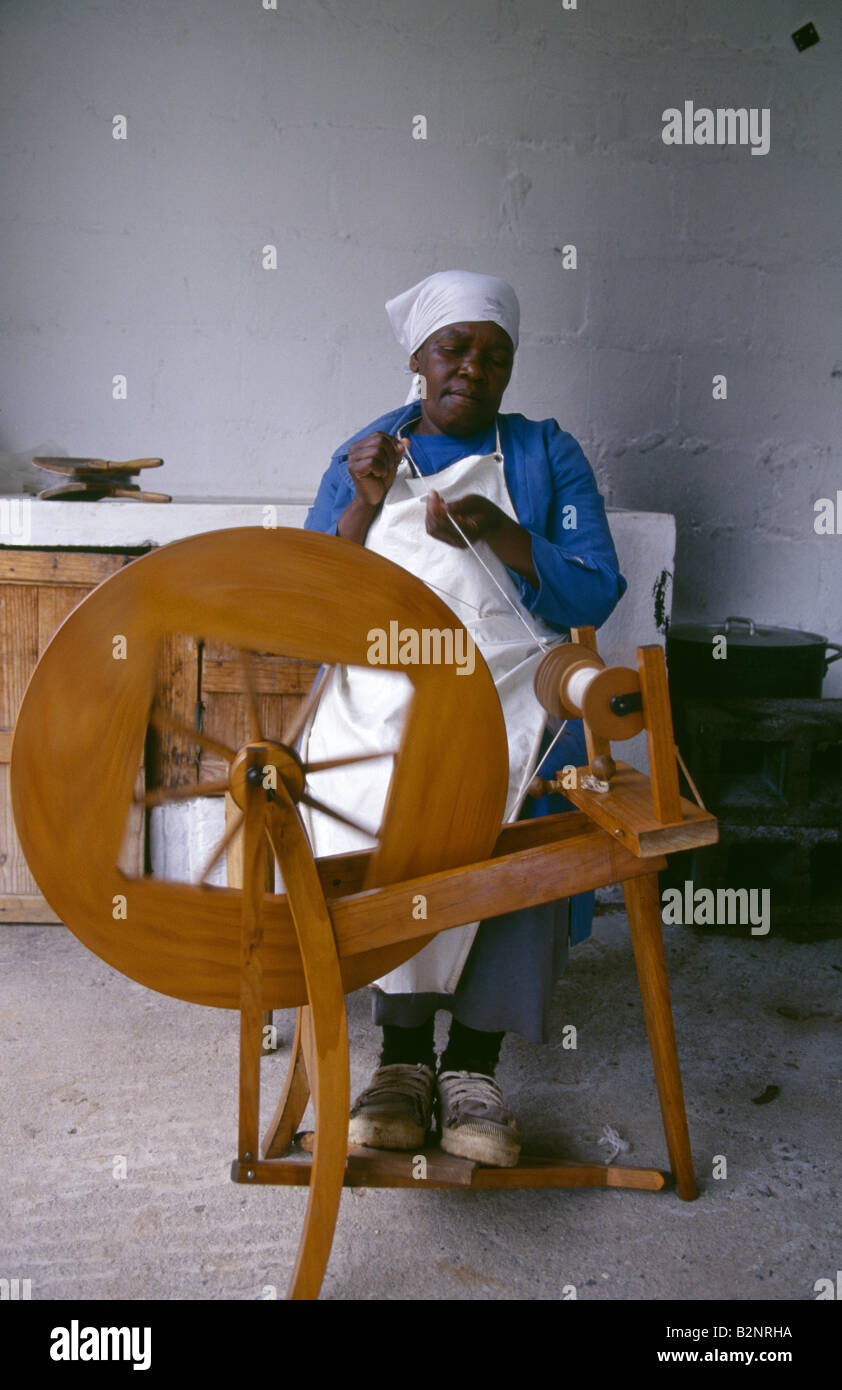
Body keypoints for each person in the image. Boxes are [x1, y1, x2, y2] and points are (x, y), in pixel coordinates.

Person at [304, 270, 626, 1167]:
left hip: (512, 690)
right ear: (418, 357)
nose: (472, 368)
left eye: (494, 354)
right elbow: (314, 598)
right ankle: (402, 1062)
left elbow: (596, 584)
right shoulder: (363, 455)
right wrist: (363, 508)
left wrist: (501, 534)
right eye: (454, 347)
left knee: (519, 827)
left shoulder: (547, 454)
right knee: (378, 818)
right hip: (387, 697)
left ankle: (475, 1070)